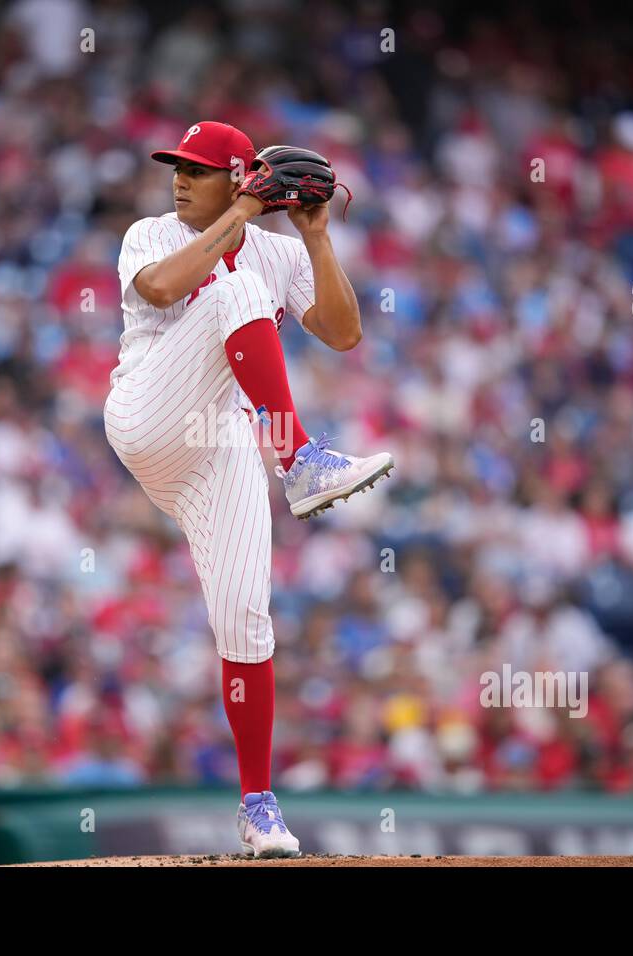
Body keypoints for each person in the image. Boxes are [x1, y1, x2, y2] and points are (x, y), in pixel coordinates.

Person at [102, 121, 394, 857]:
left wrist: (317, 236)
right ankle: (298, 459)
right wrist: (238, 216)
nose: (179, 179)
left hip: (221, 443)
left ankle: (258, 805)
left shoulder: (277, 249)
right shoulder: (149, 232)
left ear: (239, 177)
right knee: (235, 293)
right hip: (149, 409)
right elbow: (165, 286)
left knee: (247, 620)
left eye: (198, 170)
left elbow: (343, 332)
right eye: (178, 167)